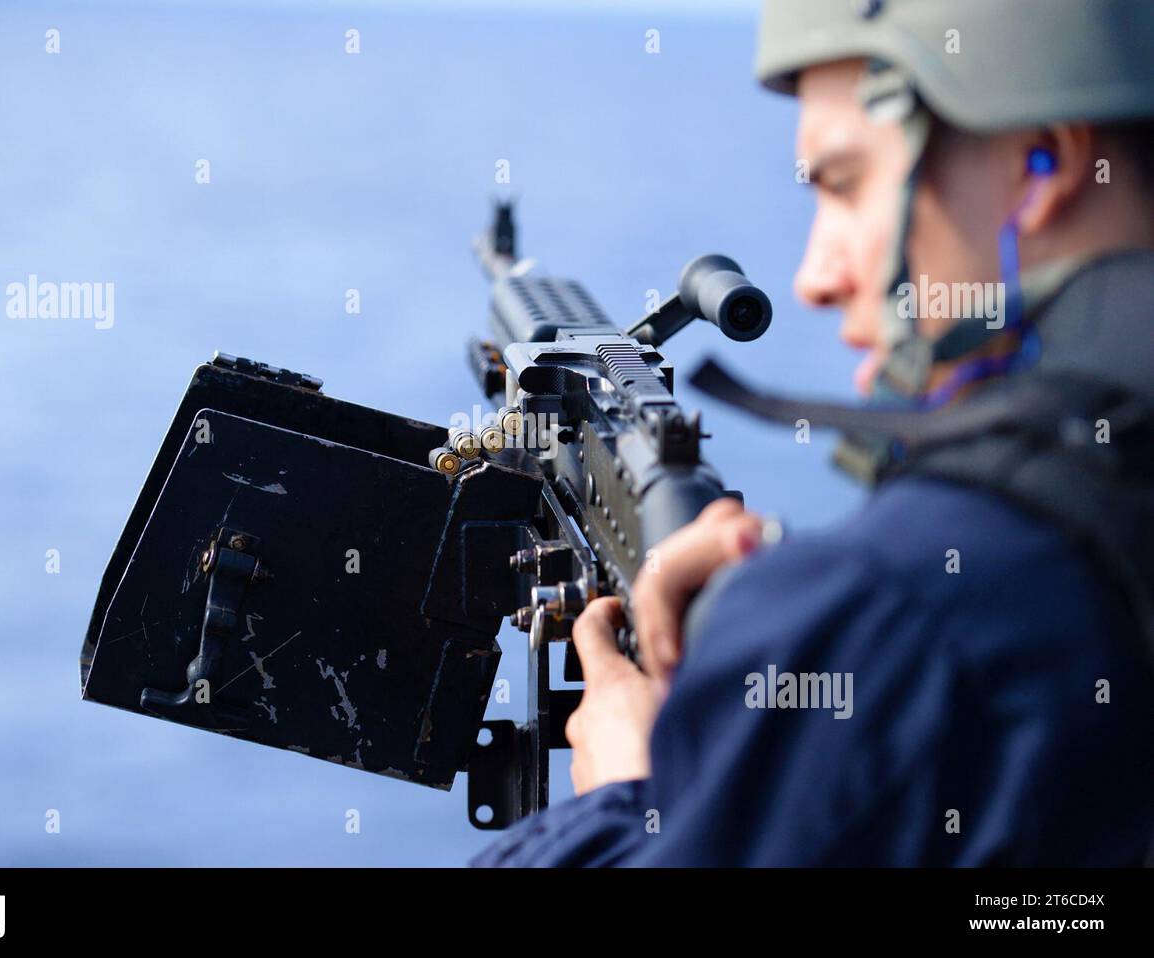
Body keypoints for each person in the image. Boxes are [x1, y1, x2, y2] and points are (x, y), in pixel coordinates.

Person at [472, 0, 1154, 867]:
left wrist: (627, 803)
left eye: (844, 184)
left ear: (1042, 165)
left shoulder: (904, 622)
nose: (814, 278)